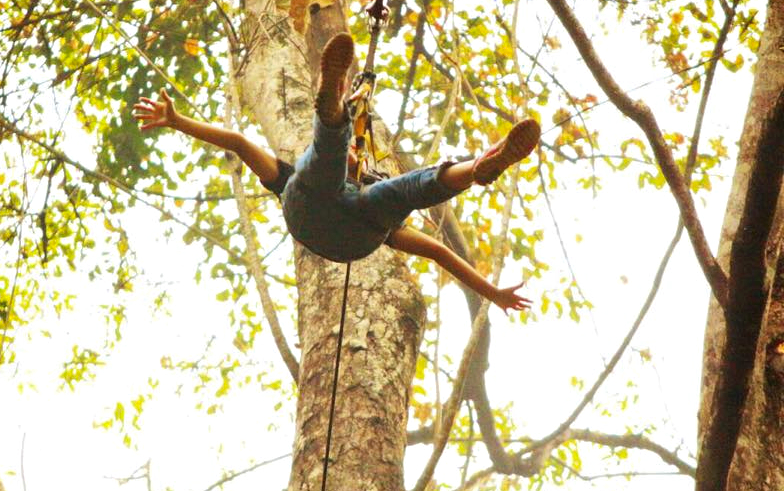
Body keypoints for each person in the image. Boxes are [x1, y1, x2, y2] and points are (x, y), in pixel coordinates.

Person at [133, 33, 539, 313]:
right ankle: (334, 113)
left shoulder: (289, 181)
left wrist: (178, 121)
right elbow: (438, 251)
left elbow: (238, 143)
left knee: (396, 187)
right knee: (389, 185)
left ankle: (481, 167)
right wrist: (491, 293)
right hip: (343, 231)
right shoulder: (321, 190)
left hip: (335, 224)